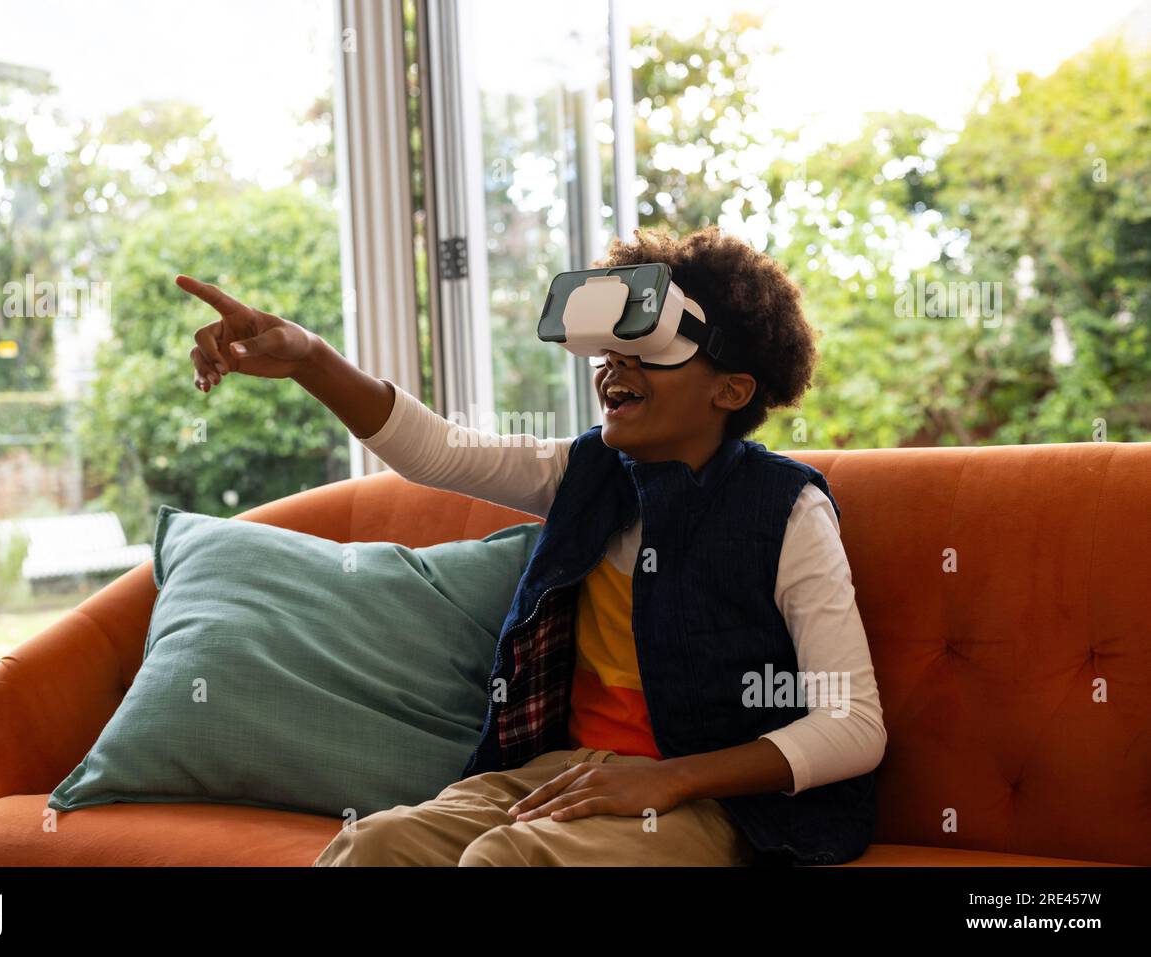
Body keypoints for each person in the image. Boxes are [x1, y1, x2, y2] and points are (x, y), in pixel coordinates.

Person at [178, 225, 886, 866]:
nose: (614, 371)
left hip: (712, 800)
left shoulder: (784, 508)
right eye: (609, 353)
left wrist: (672, 776)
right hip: (565, 771)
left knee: (506, 862)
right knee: (375, 845)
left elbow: (853, 724)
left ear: (730, 390)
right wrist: (307, 356)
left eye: (644, 354)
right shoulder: (582, 473)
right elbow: (436, 452)